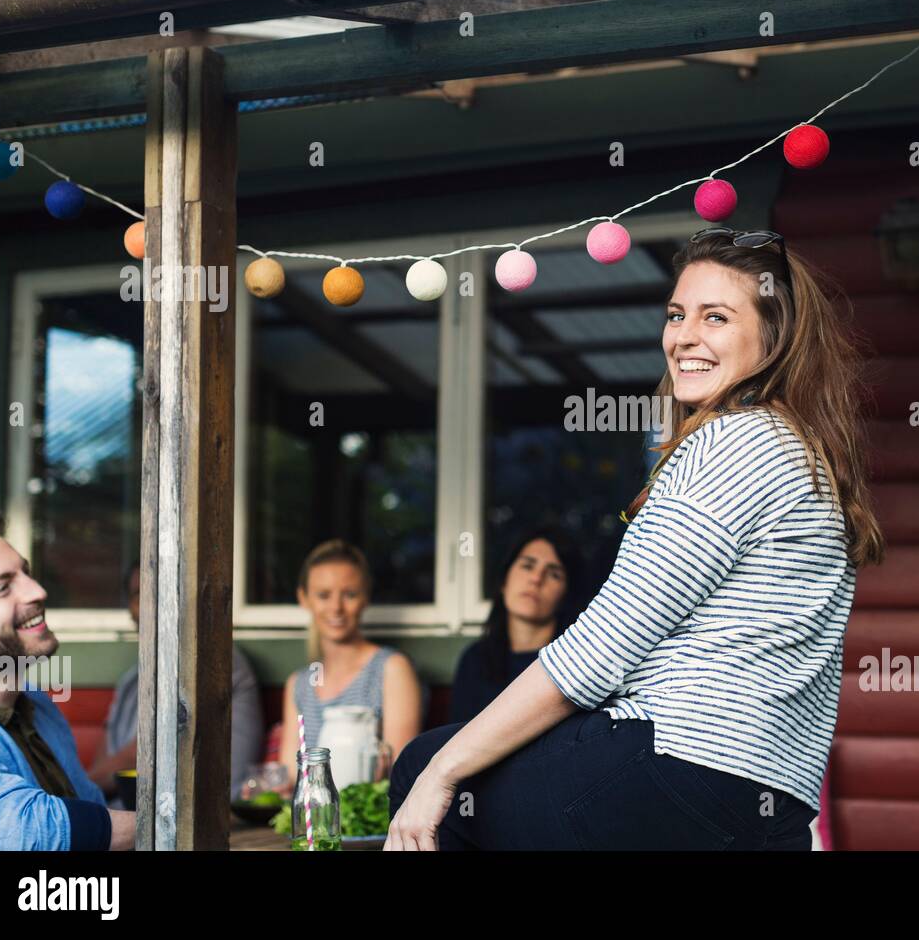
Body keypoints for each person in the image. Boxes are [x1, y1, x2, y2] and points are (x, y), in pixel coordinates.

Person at [386, 226, 885, 850]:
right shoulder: (807, 453)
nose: (683, 337)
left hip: (683, 764)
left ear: (774, 337)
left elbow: (600, 651)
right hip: (772, 800)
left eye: (717, 317)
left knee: (426, 769)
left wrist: (442, 770)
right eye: (677, 315)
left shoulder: (734, 441)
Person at [0, 502, 134, 850]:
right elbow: (20, 830)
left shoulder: (37, 702)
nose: (37, 591)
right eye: (2, 588)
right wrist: (173, 822)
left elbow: (87, 801)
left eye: (25, 573)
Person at [87, 562, 264, 805]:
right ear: (131, 609)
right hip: (130, 822)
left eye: (162, 590)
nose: (151, 602)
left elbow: (148, 752)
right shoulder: (130, 681)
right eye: (140, 594)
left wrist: (68, 793)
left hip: (202, 819)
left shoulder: (215, 660)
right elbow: (101, 766)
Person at [278, 539, 424, 783]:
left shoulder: (392, 669)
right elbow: (289, 773)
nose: (336, 608)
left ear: (366, 598)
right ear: (304, 599)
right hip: (311, 817)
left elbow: (399, 770)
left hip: (370, 817)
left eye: (350, 594)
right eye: (323, 595)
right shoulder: (299, 684)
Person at [448, 528, 584, 724]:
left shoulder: (575, 663)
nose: (536, 579)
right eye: (528, 566)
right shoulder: (475, 659)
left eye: (554, 574)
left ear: (566, 595)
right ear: (504, 581)